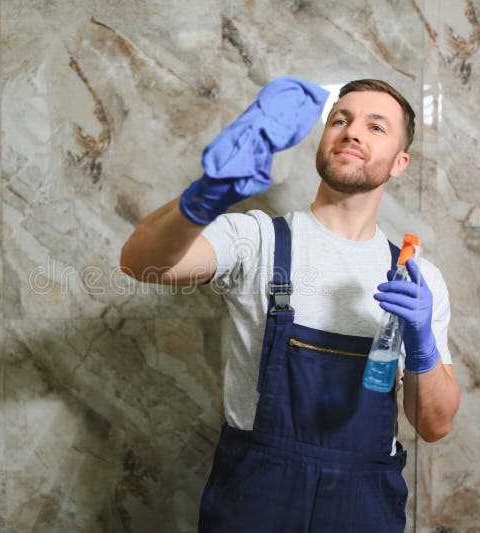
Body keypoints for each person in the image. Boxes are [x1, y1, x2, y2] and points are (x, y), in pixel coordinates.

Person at [119, 77, 460, 532]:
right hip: (256, 498)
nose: (352, 131)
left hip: (364, 505)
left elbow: (433, 425)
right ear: (323, 138)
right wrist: (204, 198)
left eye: (376, 127)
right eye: (341, 119)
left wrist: (422, 350)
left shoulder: (418, 279)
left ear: (400, 163)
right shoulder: (256, 239)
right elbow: (140, 263)